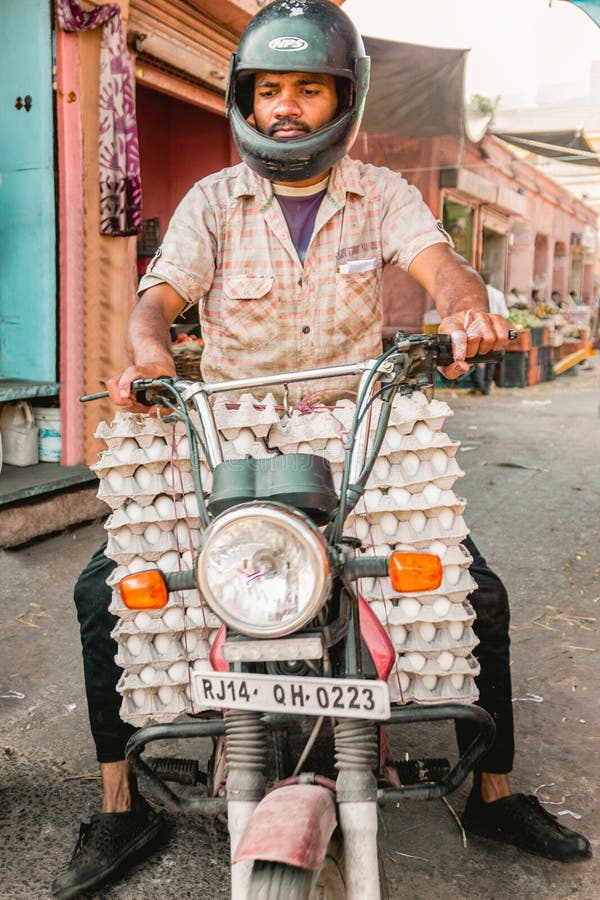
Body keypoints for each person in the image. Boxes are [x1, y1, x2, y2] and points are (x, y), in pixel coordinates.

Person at [53, 2, 591, 896]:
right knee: (98, 595)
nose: (289, 108)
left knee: (475, 592)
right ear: (246, 101)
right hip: (228, 433)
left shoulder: (381, 194)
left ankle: (494, 790)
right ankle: (120, 808)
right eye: (271, 90)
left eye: (309, 88)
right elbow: (160, 297)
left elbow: (437, 263)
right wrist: (148, 352)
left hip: (353, 432)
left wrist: (466, 304)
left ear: (344, 98)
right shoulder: (212, 202)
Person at [468, 271, 510, 394]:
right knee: (491, 357)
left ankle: (478, 384)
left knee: (474, 356)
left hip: (477, 328)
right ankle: (486, 385)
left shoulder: (473, 294)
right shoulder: (498, 294)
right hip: (495, 328)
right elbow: (505, 314)